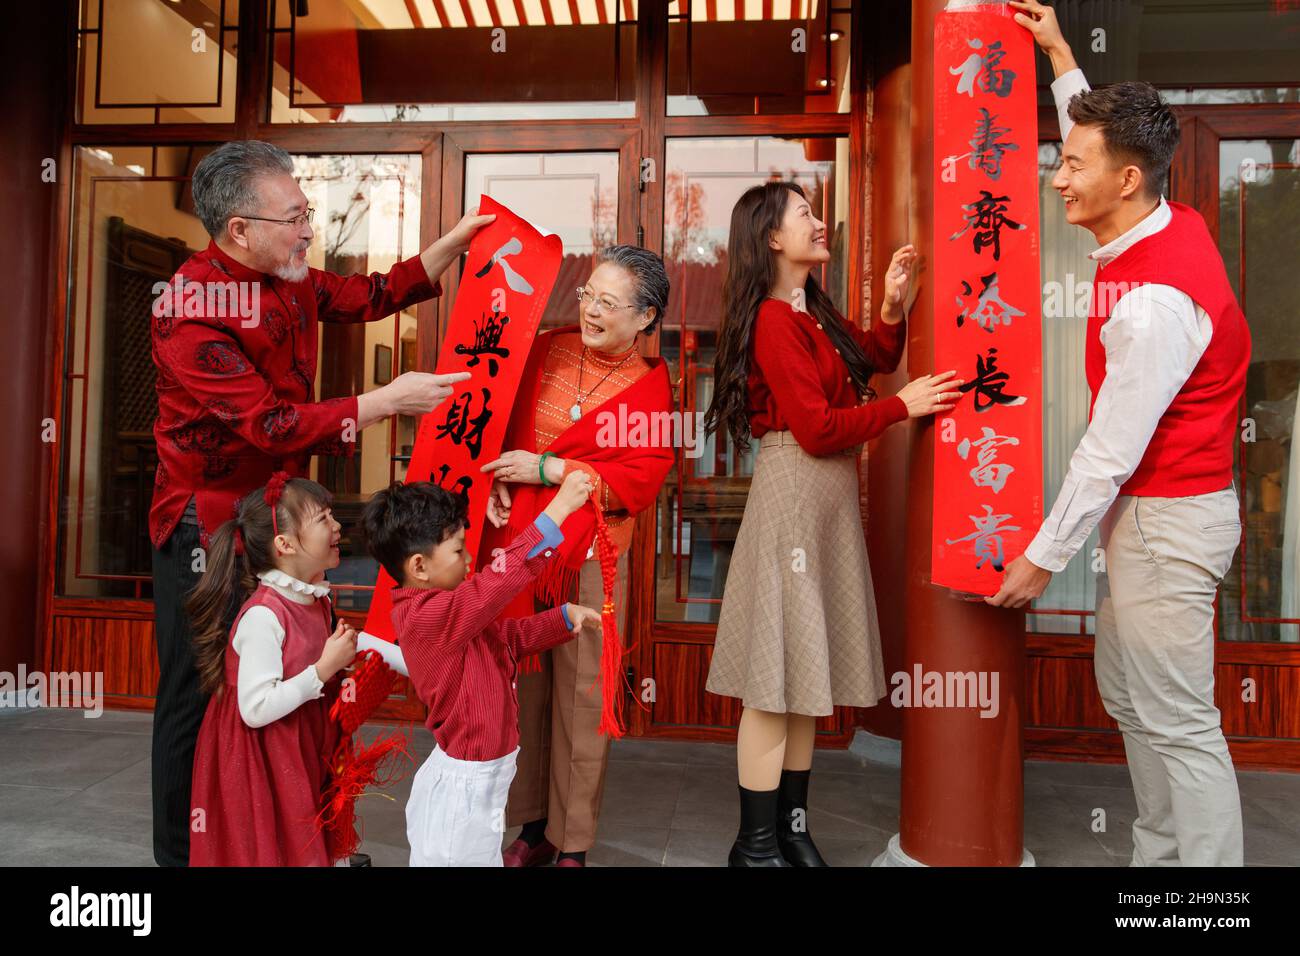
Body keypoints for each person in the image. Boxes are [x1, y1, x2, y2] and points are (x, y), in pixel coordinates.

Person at [149, 139, 487, 866]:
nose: (308, 230)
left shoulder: (290, 273)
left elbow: (369, 297)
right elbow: (269, 422)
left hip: (277, 512)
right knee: (199, 691)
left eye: (309, 213)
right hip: (207, 520)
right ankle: (182, 858)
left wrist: (450, 246)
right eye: (294, 216)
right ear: (238, 229)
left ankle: (287, 842)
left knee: (300, 678)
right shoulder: (188, 310)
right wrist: (384, 402)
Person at [991, 1, 1251, 867]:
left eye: (1071, 166)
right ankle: (1158, 865)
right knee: (1135, 702)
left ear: (1127, 181)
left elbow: (1108, 452)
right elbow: (1095, 128)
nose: (1056, 178)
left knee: (1178, 723)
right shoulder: (1169, 221)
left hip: (1166, 525)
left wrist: (1040, 556)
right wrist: (1062, 55)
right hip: (1155, 522)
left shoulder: (1151, 305)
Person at [703, 181, 962, 866]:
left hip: (824, 494)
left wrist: (889, 308)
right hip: (796, 488)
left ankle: (790, 831)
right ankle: (755, 845)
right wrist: (903, 407)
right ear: (771, 239)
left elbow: (870, 359)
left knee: (801, 676)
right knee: (773, 682)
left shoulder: (807, 310)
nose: (820, 225)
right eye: (805, 216)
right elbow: (817, 428)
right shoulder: (772, 320)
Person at [478, 245, 675, 867]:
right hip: (526, 546)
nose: (590, 310)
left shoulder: (649, 385)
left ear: (645, 319)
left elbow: (639, 479)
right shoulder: (549, 347)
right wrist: (499, 483)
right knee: (522, 687)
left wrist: (549, 466)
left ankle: (572, 842)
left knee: (581, 696)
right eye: (589, 294)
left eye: (608, 304)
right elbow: (501, 425)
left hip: (588, 554)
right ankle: (529, 824)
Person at [361, 473, 601, 866]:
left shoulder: (449, 607)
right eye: (458, 551)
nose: (470, 559)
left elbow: (506, 640)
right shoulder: (427, 616)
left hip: (482, 778)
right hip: (464, 788)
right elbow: (495, 585)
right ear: (419, 566)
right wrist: (556, 511)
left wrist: (560, 619)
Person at [186, 474, 356, 866]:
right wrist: (322, 668)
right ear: (285, 544)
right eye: (323, 519)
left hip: (301, 745)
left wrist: (339, 662)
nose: (337, 527)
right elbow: (256, 708)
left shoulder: (315, 600)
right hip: (262, 759)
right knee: (272, 846)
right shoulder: (264, 615)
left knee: (303, 837)